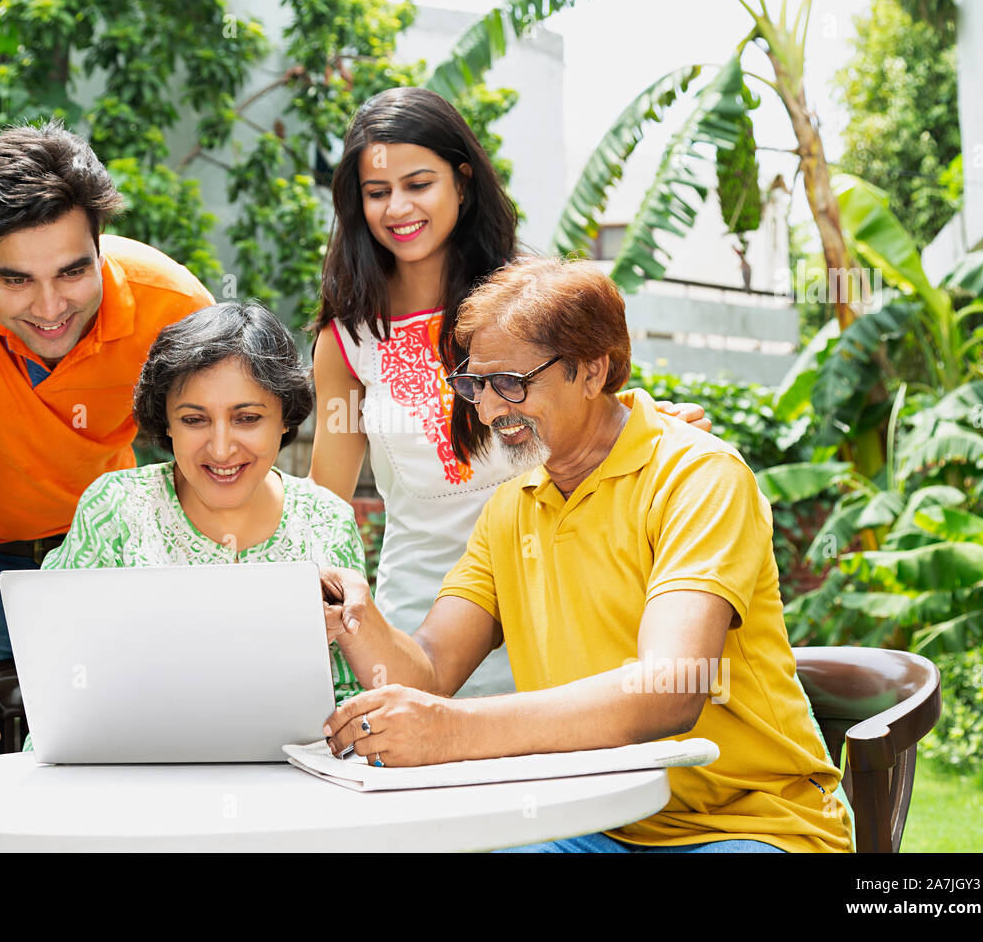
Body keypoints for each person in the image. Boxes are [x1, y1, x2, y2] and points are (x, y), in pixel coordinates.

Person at [319, 257, 854, 853]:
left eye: (512, 383)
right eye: (475, 385)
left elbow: (669, 688)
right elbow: (432, 670)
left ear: (594, 370)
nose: (492, 410)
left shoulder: (699, 477)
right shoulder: (511, 506)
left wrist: (452, 730)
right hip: (594, 822)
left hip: (752, 826)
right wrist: (356, 619)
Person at [309, 87, 709, 697]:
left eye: (420, 183)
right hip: (421, 633)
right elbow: (326, 507)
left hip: (556, 608)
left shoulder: (527, 304)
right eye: (377, 192)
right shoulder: (349, 339)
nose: (398, 207)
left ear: (462, 183)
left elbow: (587, 411)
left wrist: (659, 428)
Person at [0, 120, 213, 768]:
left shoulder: (170, 301)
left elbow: (222, 455)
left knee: (130, 754)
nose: (51, 306)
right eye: (15, 281)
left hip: (104, 551)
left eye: (72, 271)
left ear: (100, 245)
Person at [40, 302, 366, 702]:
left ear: (285, 416)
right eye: (194, 420)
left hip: (290, 762)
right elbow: (58, 671)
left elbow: (352, 694)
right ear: (167, 424)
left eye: (247, 418)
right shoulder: (116, 509)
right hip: (133, 757)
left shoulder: (327, 519)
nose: (222, 448)